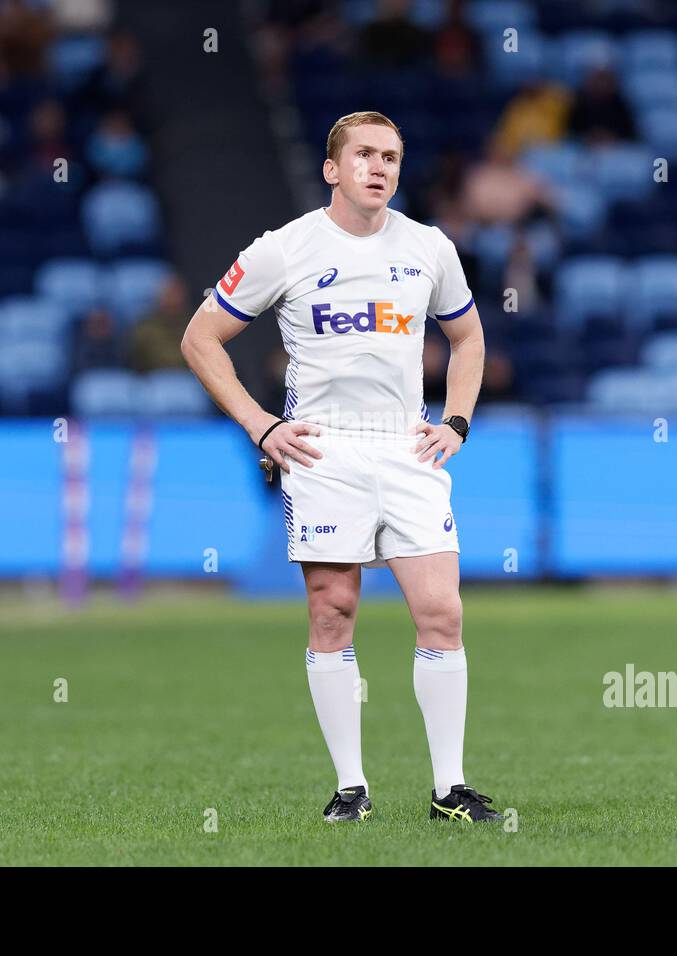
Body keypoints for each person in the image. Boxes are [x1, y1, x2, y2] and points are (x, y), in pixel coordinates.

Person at [180, 111, 502, 824]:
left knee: (441, 611)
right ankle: (350, 787)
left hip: (406, 442)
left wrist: (456, 421)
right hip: (324, 448)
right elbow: (201, 338)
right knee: (334, 612)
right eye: (364, 154)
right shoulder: (284, 249)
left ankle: (448, 789)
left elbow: (469, 336)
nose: (379, 167)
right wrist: (260, 425)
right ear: (332, 169)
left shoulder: (429, 247)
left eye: (390, 155)